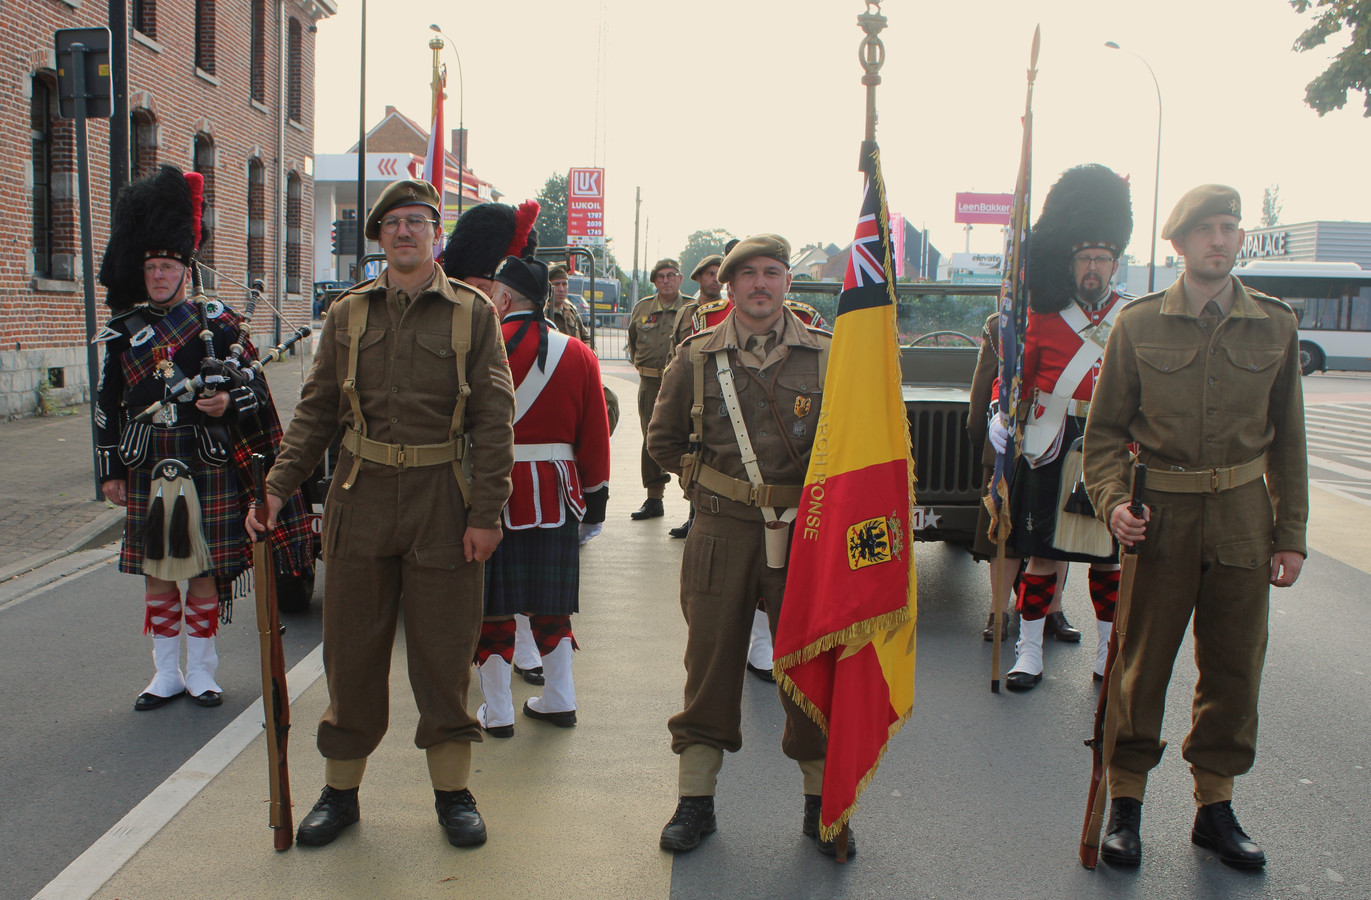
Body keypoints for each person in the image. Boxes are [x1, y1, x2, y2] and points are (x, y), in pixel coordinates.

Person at [247, 179, 516, 849]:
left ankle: (452, 793)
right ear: (378, 238)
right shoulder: (347, 314)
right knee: (352, 654)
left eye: (417, 221)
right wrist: (277, 488)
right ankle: (341, 791)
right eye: (393, 223)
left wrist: (487, 512)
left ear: (435, 235)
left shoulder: (472, 315)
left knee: (444, 655)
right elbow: (314, 413)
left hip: (443, 503)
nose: (404, 232)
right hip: (359, 499)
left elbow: (494, 419)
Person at [1083, 184, 1307, 870]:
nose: (1219, 239)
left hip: (1243, 517)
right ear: (1177, 245)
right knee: (1140, 667)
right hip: (1162, 518)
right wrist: (1112, 503)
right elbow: (1103, 436)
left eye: (1229, 227)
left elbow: (1289, 438)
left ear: (1239, 239)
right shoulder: (1138, 324)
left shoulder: (1273, 323)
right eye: (1205, 229)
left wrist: (1290, 533)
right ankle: (1126, 801)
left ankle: (1214, 805)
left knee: (1235, 669)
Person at [647, 234, 843, 858]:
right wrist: (711, 489)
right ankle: (695, 802)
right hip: (721, 533)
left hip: (805, 535)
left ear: (789, 283)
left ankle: (821, 806)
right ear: (728, 286)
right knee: (709, 666)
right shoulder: (696, 357)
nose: (761, 284)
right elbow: (663, 440)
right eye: (748, 275)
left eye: (773, 273)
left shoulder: (829, 358)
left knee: (810, 670)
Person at [95, 164, 313, 713]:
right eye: (152, 268)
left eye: (169, 266)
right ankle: (165, 673)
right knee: (159, 574)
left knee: (202, 573)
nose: (160, 276)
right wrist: (111, 473)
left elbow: (257, 396)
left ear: (186, 270)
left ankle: (204, 672)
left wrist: (224, 403)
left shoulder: (218, 324)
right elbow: (107, 407)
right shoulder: (124, 333)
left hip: (205, 460)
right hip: (150, 461)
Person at [988, 164, 1133, 690]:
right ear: (1070, 263)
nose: (1092, 267)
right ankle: (1028, 654)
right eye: (1084, 258)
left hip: (1112, 447)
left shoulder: (1133, 318)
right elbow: (1014, 373)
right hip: (1051, 442)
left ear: (1114, 261)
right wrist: (997, 417)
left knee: (1107, 560)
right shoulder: (1043, 317)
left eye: (1101, 258)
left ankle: (1105, 653)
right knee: (1041, 553)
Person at [471, 256, 611, 737]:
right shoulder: (578, 353)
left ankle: (498, 712)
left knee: (492, 606)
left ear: (505, 298)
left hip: (490, 492)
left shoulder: (476, 347)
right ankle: (559, 699)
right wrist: (596, 504)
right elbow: (595, 436)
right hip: (556, 493)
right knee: (551, 603)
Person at [966, 311, 1023, 642]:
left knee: (1049, 532)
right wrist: (981, 432)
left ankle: (1049, 609)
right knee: (1000, 524)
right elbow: (986, 384)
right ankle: (999, 611)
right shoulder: (1000, 326)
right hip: (1005, 438)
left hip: (1050, 438)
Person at [627, 258, 697, 520]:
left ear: (680, 279)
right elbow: (633, 343)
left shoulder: (692, 307)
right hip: (650, 383)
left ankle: (692, 503)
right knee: (650, 438)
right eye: (660, 277)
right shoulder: (642, 307)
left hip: (683, 384)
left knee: (689, 437)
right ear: (655, 281)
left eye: (671, 275)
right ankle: (654, 498)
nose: (665, 281)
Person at [544, 264, 590, 344]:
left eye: (564, 284)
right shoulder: (543, 313)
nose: (561, 289)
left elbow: (586, 337)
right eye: (556, 284)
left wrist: (587, 352)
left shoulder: (571, 310)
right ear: (548, 287)